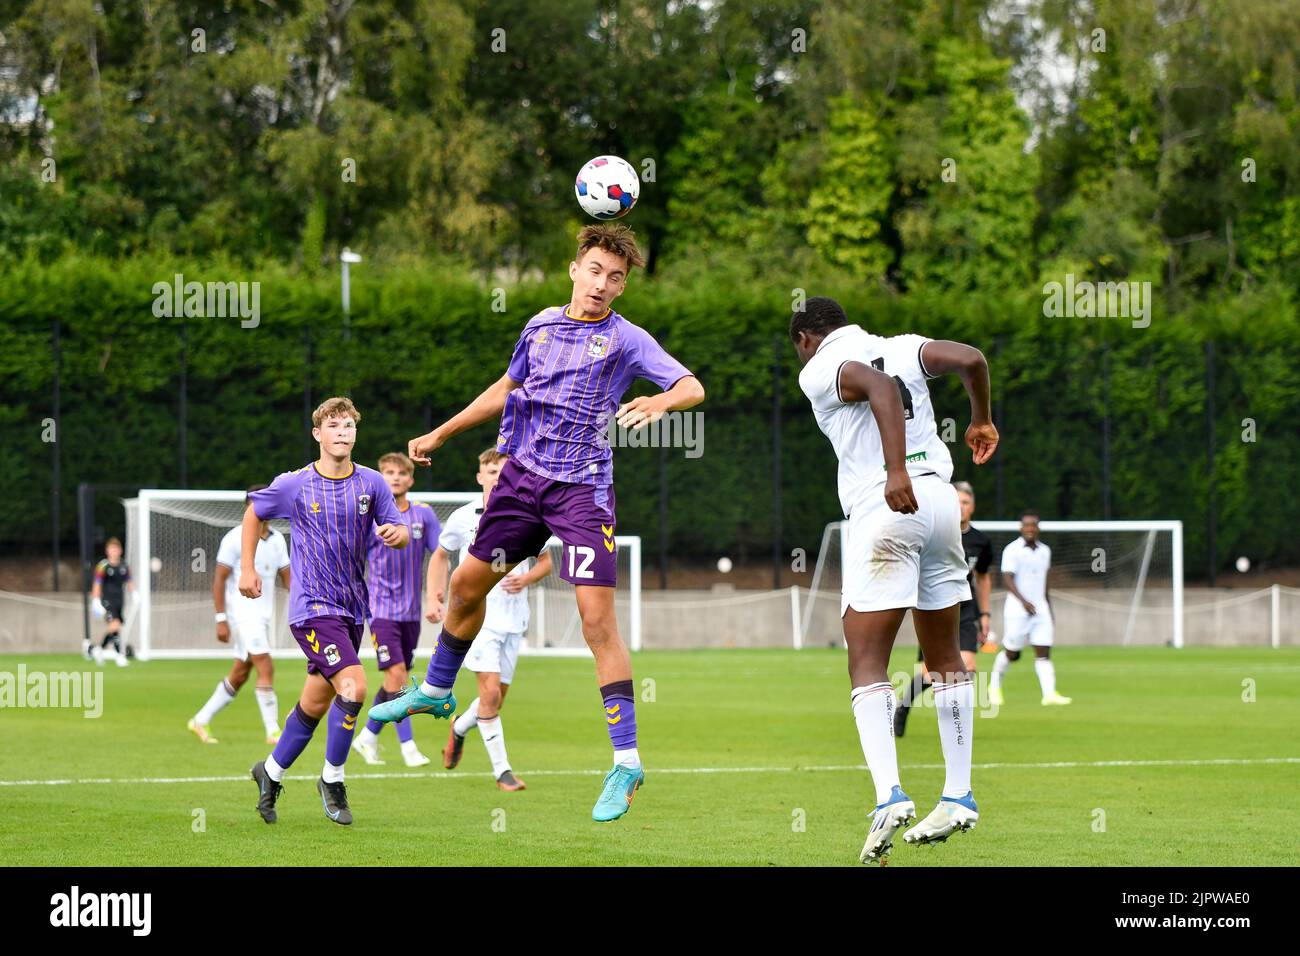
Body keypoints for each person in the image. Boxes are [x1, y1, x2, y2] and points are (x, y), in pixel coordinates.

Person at [368, 222, 704, 822]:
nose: (603, 285)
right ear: (575, 269)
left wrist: (659, 400)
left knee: (596, 621)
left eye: (616, 278)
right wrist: (443, 432)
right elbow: (506, 386)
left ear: (623, 288)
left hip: (581, 496)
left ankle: (626, 761)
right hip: (519, 484)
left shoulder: (627, 341)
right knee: (468, 588)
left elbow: (691, 386)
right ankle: (440, 690)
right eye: (596, 271)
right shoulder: (541, 325)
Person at [791, 296, 998, 863]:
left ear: (806, 339)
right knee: (946, 659)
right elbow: (972, 360)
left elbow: (879, 392)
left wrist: (895, 470)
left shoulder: (817, 367)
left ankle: (889, 794)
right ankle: (958, 793)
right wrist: (980, 418)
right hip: (941, 504)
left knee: (865, 661)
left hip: (890, 504)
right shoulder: (900, 346)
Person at [244, 397, 409, 826]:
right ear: (318, 434)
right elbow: (254, 511)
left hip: (353, 611)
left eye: (349, 425)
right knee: (353, 688)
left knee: (315, 705)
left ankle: (271, 772)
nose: (342, 432)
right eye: (334, 425)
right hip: (312, 610)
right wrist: (247, 568)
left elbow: (401, 530)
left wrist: (397, 534)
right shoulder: (294, 484)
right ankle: (332, 779)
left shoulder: (372, 483)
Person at [435, 449, 554, 791]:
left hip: (514, 621)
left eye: (503, 470)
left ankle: (458, 728)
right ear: (479, 476)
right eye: (490, 470)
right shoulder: (462, 517)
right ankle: (503, 772)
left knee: (495, 700)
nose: (496, 476)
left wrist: (525, 579)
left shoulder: (529, 513)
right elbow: (441, 554)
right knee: (488, 695)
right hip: (480, 621)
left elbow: (546, 561)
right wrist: (435, 596)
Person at [351, 452, 443, 767]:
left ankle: (367, 737)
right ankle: (408, 747)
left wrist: (436, 596)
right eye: (388, 472)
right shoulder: (370, 517)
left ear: (411, 479)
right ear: (380, 476)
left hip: (411, 614)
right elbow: (353, 556)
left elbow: (440, 554)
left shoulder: (424, 516)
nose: (395, 477)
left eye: (401, 473)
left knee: (393, 681)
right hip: (380, 611)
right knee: (399, 676)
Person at [188, 485, 291, 745]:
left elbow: (288, 577)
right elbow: (219, 580)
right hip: (244, 616)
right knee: (265, 666)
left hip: (263, 617)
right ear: (247, 506)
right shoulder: (235, 538)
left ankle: (199, 720)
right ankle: (274, 732)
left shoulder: (277, 539)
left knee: (240, 674)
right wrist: (220, 619)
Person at [894, 480, 993, 736]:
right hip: (934, 608)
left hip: (966, 610)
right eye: (956, 501)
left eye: (965, 502)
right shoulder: (935, 534)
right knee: (932, 675)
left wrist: (985, 614)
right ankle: (904, 706)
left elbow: (982, 578)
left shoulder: (981, 541)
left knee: (967, 670)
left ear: (972, 507)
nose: (960, 507)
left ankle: (954, 725)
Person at [989, 510, 1071, 707]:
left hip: (1040, 609)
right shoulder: (1012, 550)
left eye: (1033, 525)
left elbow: (1045, 583)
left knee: (1043, 651)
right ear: (1021, 527)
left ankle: (1049, 694)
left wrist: (1049, 609)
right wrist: (1023, 601)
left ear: (1038, 527)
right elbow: (1007, 578)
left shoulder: (1045, 551)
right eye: (1027, 525)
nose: (1030, 529)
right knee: (1012, 651)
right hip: (1018, 610)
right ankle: (993, 687)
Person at [89, 538, 134, 666]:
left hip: (119, 601)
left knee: (115, 627)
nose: (113, 552)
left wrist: (135, 593)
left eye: (116, 549)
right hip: (107, 601)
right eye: (111, 549)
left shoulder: (124, 566)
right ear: (107, 551)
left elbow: (129, 582)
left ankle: (99, 649)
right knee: (115, 625)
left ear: (120, 551)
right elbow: (97, 584)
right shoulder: (103, 566)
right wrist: (96, 600)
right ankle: (120, 655)